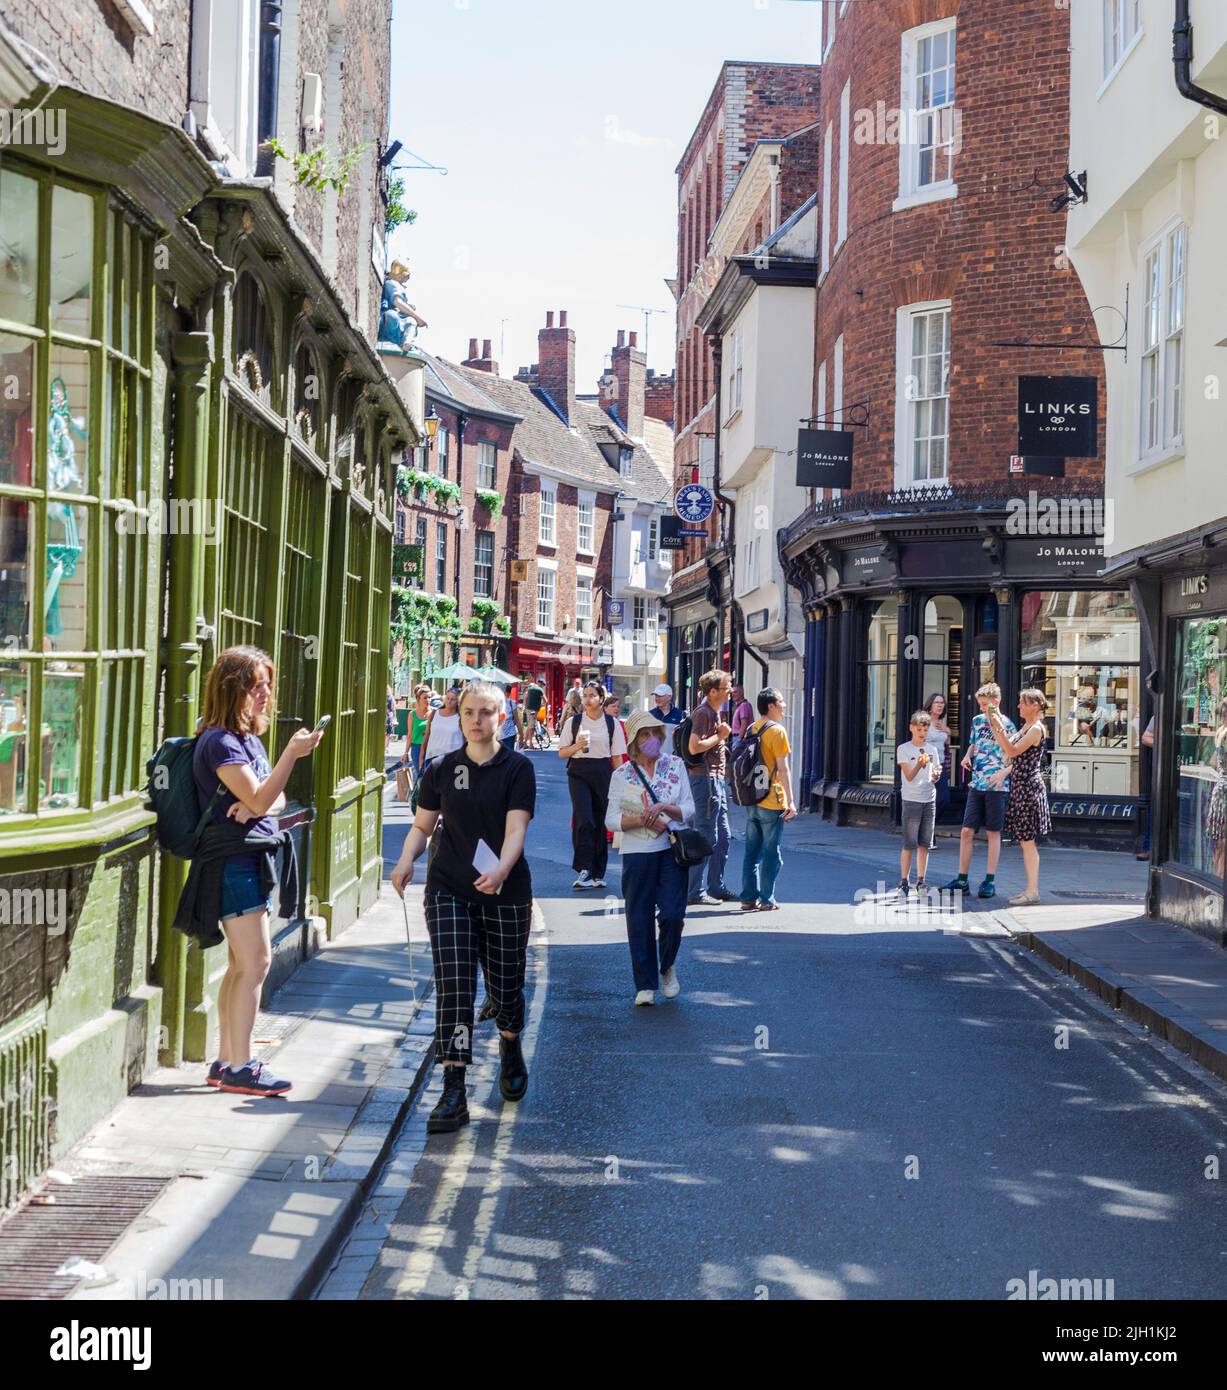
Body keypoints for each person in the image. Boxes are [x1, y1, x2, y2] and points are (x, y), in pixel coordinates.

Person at [390, 681, 535, 1133]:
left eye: (486, 712)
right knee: (455, 984)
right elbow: (422, 825)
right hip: (448, 886)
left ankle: (510, 1040)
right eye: (469, 712)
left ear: (502, 717)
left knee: (506, 984)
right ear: (459, 715)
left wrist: (501, 871)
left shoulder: (518, 769)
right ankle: (453, 1087)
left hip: (504, 892)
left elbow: (516, 832)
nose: (476, 720)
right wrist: (405, 859)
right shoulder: (441, 768)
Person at [191, 645, 324, 1096]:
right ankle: (242, 1065)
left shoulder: (247, 740)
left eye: (268, 684)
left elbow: (275, 799)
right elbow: (267, 796)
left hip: (250, 856)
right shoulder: (220, 742)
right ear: (234, 690)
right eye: (257, 686)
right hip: (231, 862)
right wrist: (289, 755)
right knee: (257, 961)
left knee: (238, 965)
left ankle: (227, 1061)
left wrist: (257, 806)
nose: (267, 693)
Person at [605, 710, 696, 1005]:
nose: (650, 740)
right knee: (639, 917)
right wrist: (641, 820)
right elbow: (611, 820)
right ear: (633, 742)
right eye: (643, 735)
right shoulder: (622, 774)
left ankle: (667, 965)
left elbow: (689, 810)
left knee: (672, 914)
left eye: (653, 733)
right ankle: (645, 984)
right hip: (637, 853)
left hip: (670, 851)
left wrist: (666, 808)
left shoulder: (675, 765)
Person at [944, 683, 1015, 899]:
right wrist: (967, 756)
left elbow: (1015, 755)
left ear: (996, 702)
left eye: (985, 705)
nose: (982, 709)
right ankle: (962, 880)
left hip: (996, 785)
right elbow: (974, 744)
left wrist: (1003, 773)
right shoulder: (977, 721)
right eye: (980, 705)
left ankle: (989, 881)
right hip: (977, 783)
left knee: (993, 832)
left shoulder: (1008, 725)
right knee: (966, 831)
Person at [559, 681, 627, 890]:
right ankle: (584, 868)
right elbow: (562, 752)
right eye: (585, 695)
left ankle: (598, 871)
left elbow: (616, 757)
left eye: (592, 695)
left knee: (599, 821)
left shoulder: (611, 723)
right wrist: (577, 746)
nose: (588, 699)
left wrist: (621, 784)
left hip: (602, 772)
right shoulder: (574, 722)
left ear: (601, 698)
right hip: (578, 771)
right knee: (584, 818)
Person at [987, 688, 1052, 906]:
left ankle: (1032, 892)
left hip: (1028, 788)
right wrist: (995, 723)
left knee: (1027, 841)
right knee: (1025, 841)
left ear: (1035, 705)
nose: (1018, 707)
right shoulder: (1026, 726)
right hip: (1020, 785)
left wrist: (1000, 728)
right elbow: (1004, 749)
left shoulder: (1036, 729)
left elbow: (1012, 751)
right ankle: (1029, 889)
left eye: (1023, 703)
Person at [739, 688, 797, 911]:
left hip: (752, 797)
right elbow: (783, 769)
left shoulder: (753, 728)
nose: (784, 706)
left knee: (751, 852)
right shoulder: (777, 731)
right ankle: (766, 899)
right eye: (781, 702)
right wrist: (790, 801)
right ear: (771, 705)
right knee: (772, 853)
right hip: (771, 799)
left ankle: (747, 897)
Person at [687, 669, 738, 905]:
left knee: (723, 837)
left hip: (715, 780)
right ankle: (693, 891)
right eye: (727, 688)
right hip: (705, 780)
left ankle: (716, 886)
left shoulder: (715, 712)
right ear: (713, 691)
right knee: (707, 835)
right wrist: (720, 737)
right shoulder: (703, 713)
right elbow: (694, 747)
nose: (731, 691)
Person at [896, 710, 942, 895]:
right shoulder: (904, 749)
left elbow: (936, 772)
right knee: (909, 843)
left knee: (925, 843)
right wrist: (919, 764)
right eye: (919, 729)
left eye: (925, 729)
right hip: (911, 799)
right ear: (911, 728)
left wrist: (935, 775)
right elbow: (908, 776)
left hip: (929, 798)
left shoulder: (932, 750)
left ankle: (921, 880)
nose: (922, 732)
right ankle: (904, 880)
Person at [1205, 699, 1227, 880]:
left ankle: (1217, 875)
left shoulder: (1219, 732)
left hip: (1220, 787)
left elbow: (1213, 762)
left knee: (1219, 836)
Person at [421, 685, 463, 771]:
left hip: (453, 759)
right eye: (447, 698)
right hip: (432, 756)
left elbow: (466, 740)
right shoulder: (434, 714)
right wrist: (421, 755)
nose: (449, 701)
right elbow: (427, 734)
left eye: (453, 699)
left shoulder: (461, 717)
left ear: (458, 702)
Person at [924, 692, 953, 816]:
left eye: (942, 703)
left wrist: (947, 731)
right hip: (926, 765)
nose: (940, 705)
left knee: (943, 799)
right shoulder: (924, 722)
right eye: (937, 702)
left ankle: (930, 824)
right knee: (928, 798)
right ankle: (927, 828)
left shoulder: (941, 722)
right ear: (930, 705)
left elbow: (947, 743)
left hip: (940, 765)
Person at [651, 682, 686, 755]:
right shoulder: (650, 715)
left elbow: (683, 740)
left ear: (669, 697)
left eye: (660, 696)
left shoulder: (680, 714)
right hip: (653, 759)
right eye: (656, 696)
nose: (657, 698)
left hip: (673, 759)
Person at [407, 684, 431, 778]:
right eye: (425, 698)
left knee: (430, 777)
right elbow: (410, 734)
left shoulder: (434, 713)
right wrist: (406, 752)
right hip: (416, 748)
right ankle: (420, 792)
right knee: (421, 776)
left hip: (431, 748)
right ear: (418, 699)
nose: (428, 700)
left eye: (429, 697)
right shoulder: (412, 715)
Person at [521, 678, 545, 747]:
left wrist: (525, 707)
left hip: (528, 709)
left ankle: (526, 742)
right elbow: (545, 700)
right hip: (534, 710)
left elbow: (525, 699)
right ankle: (527, 743)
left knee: (530, 726)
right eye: (543, 685)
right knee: (530, 726)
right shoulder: (540, 690)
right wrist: (540, 705)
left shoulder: (529, 690)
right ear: (541, 684)